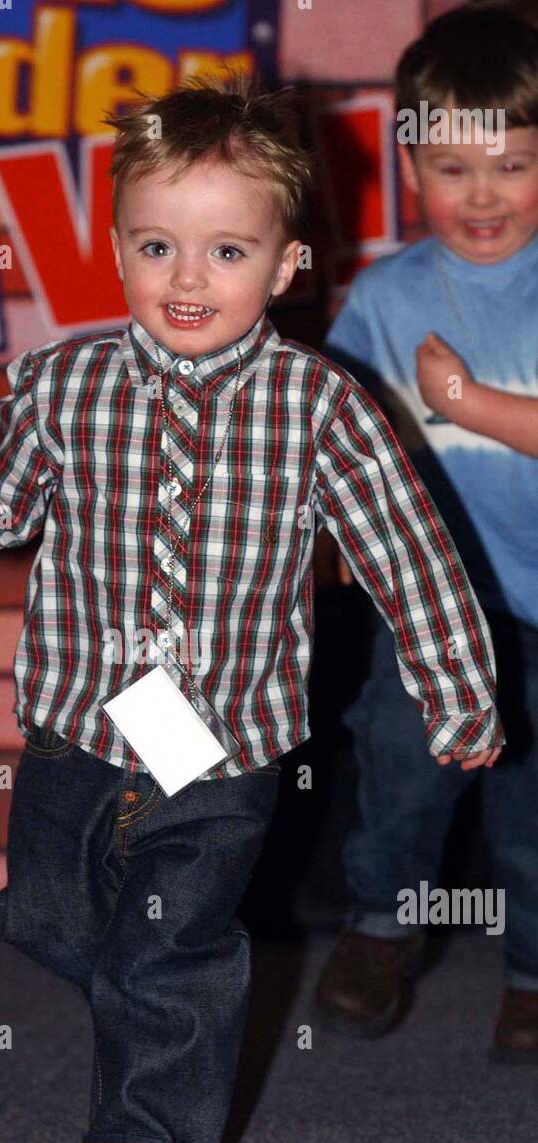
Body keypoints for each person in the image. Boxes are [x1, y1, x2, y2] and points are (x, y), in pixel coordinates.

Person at [0, 70, 503, 1143]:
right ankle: (126, 968)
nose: (188, 279)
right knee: (52, 913)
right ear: (115, 248)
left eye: (226, 250)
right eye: (157, 246)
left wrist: (454, 687)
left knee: (172, 948)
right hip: (78, 727)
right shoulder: (68, 387)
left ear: (286, 266)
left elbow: (407, 551)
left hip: (223, 750)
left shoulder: (319, 408)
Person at [316, 5, 538, 1060]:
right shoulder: (388, 295)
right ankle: (379, 921)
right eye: (451, 168)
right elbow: (335, 433)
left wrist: (465, 400)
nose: (481, 194)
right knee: (402, 759)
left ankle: (532, 973)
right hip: (432, 598)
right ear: (409, 167)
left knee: (531, 808)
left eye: (510, 163)